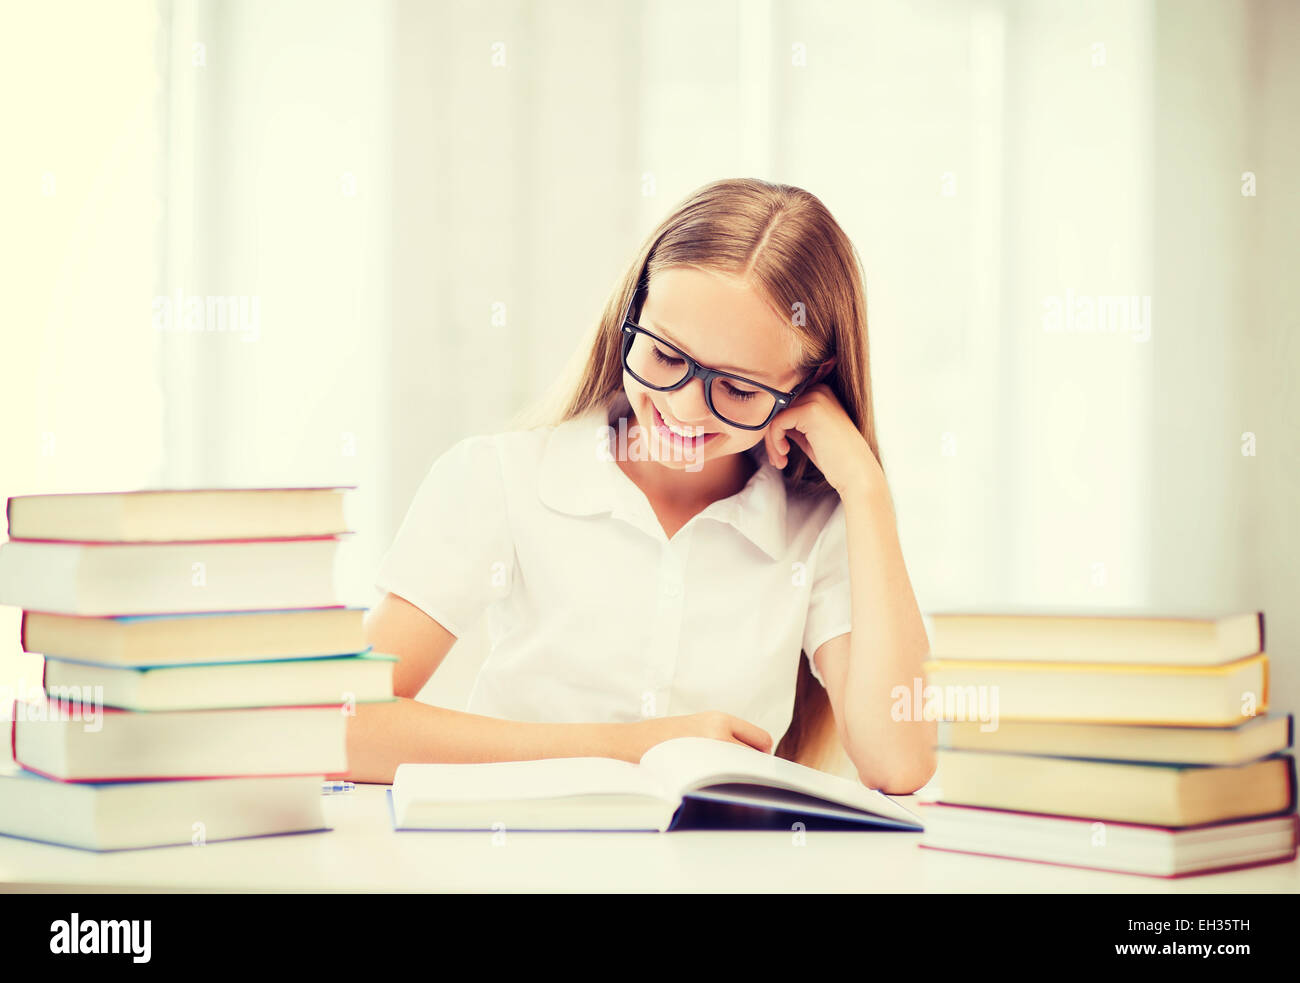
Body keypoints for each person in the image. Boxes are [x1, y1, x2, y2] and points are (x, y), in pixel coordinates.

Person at [343, 178, 934, 792]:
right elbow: (344, 723)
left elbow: (899, 764)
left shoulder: (817, 526)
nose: (683, 408)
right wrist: (631, 749)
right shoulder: (500, 478)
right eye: (665, 357)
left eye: (738, 389)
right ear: (632, 313)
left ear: (812, 382)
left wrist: (866, 488)